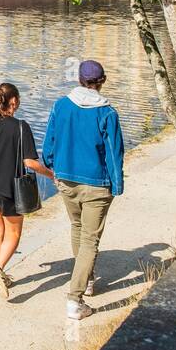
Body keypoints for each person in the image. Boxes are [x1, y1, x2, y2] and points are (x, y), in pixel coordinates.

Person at [42, 60, 125, 320]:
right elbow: (114, 153)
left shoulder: (61, 105)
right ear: (102, 80)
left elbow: (48, 145)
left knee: (77, 228)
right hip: (97, 184)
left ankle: (87, 279)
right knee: (90, 238)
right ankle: (75, 299)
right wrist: (117, 185)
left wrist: (53, 166)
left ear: (79, 79)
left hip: (66, 181)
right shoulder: (107, 113)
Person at [0, 82, 55, 300]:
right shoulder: (21, 127)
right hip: (9, 187)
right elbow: (29, 163)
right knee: (14, 233)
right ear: (13, 102)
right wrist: (52, 174)